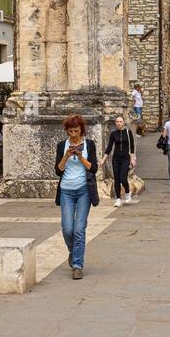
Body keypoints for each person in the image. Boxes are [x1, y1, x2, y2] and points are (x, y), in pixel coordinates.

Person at [54, 114, 98, 279]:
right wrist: (66, 156)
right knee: (67, 228)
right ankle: (73, 251)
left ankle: (77, 265)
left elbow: (93, 168)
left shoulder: (89, 145)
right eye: (70, 131)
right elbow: (58, 171)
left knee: (79, 228)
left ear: (81, 130)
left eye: (76, 131)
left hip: (83, 190)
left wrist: (80, 157)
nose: (73, 134)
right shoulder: (61, 145)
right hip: (66, 190)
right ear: (67, 131)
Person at [106, 114, 136, 207]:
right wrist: (103, 160)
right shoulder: (113, 134)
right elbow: (109, 147)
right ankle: (118, 199)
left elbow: (132, 146)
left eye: (120, 121)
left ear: (123, 123)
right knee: (117, 179)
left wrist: (132, 159)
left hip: (126, 159)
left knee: (123, 178)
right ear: (115, 123)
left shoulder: (128, 132)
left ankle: (127, 192)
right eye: (117, 122)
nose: (118, 123)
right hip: (116, 159)